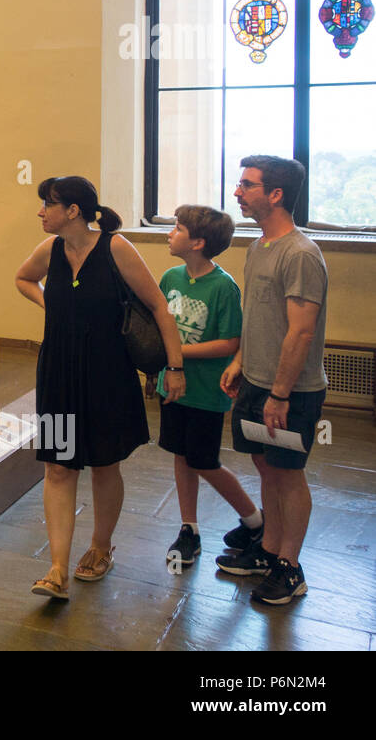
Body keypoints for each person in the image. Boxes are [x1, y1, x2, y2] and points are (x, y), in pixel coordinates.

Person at [15, 176, 186, 600]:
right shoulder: (50, 251)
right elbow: (23, 279)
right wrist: (50, 306)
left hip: (107, 373)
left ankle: (101, 547)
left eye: (47, 204)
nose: (40, 211)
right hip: (57, 371)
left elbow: (158, 307)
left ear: (73, 211)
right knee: (57, 465)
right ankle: (56, 569)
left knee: (105, 463)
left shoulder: (115, 248)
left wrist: (175, 367)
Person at [215, 156, 328, 606]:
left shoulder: (300, 254)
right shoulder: (258, 245)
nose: (238, 192)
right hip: (256, 384)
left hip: (289, 392)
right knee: (267, 467)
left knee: (288, 476)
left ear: (276, 194)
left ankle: (290, 567)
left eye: (247, 185)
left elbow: (301, 332)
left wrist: (280, 395)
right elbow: (258, 314)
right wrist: (241, 359)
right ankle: (267, 551)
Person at [148, 205, 259, 571]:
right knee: (181, 455)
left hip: (206, 391)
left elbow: (229, 342)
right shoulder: (170, 277)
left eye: (177, 228)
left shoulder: (223, 287)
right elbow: (160, 324)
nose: (170, 232)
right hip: (173, 386)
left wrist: (177, 351)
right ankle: (189, 528)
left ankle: (255, 521)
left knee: (204, 461)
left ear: (197, 242)